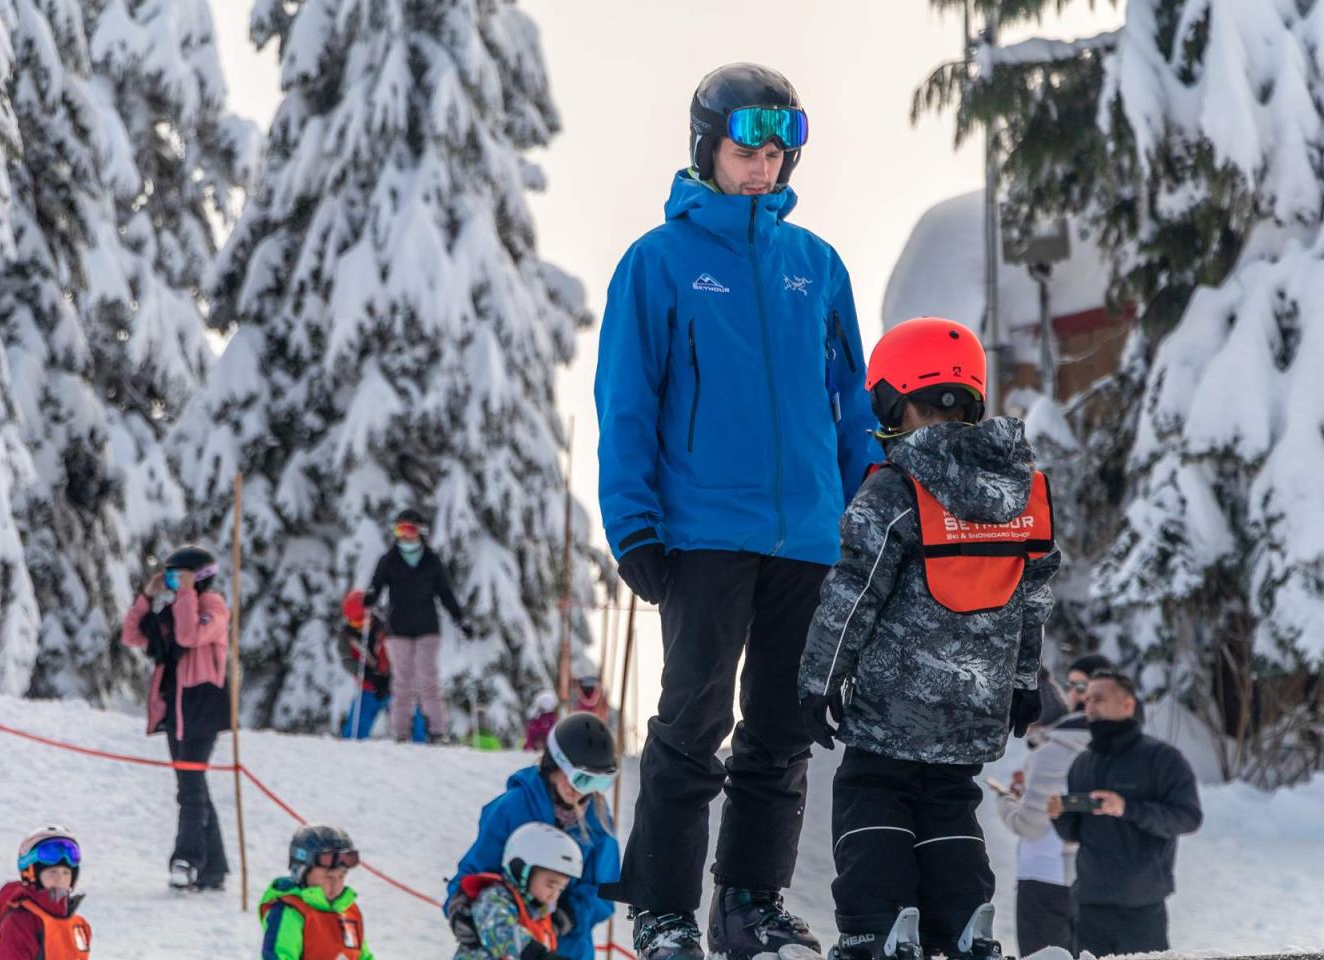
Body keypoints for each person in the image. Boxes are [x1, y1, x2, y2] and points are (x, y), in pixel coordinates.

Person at [593, 61, 881, 960]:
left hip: (807, 535)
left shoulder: (817, 266)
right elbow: (627, 401)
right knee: (692, 720)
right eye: (745, 149)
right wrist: (632, 522)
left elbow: (853, 405)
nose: (761, 168)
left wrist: (861, 509)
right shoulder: (659, 262)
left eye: (776, 153)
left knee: (782, 729)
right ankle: (665, 911)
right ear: (706, 148)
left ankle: (750, 905)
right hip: (703, 532)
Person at [797, 315, 1062, 960]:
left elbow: (852, 593)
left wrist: (819, 679)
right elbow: (1034, 596)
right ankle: (964, 922)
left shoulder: (894, 490)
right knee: (949, 802)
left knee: (872, 793)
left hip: (893, 700)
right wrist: (1025, 683)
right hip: (975, 706)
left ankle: (875, 926)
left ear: (892, 400)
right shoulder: (1025, 493)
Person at [1048, 671, 1202, 957]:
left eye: (1099, 699)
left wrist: (1127, 808)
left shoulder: (1162, 758)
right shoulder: (1082, 763)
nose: (1090, 707)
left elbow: (1188, 817)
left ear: (1127, 705)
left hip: (1141, 907)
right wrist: (1060, 815)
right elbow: (1075, 834)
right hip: (1089, 904)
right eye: (1088, 699)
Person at [447, 713, 621, 960]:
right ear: (556, 764)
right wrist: (459, 906)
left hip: (567, 947)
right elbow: (477, 868)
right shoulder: (513, 807)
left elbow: (605, 891)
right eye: (580, 779)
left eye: (598, 782)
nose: (583, 792)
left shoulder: (598, 822)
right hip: (508, 938)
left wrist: (569, 915)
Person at [121, 544, 230, 891]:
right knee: (192, 787)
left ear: (198, 578)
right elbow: (132, 635)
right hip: (174, 712)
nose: (171, 583)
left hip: (201, 709)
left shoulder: (213, 608)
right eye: (168, 576)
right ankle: (214, 868)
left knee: (190, 789)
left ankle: (187, 859)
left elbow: (189, 635)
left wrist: (185, 594)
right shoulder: (174, 609)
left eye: (177, 576)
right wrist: (146, 598)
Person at [995, 665, 1091, 955]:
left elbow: (1031, 824)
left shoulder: (1048, 754)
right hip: (1088, 877)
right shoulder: (1094, 745)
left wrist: (1005, 799)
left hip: (1044, 879)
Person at [363, 508, 475, 742]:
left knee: (428, 679)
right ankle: (400, 732)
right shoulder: (389, 560)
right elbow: (377, 585)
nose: (405, 535)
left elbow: (445, 593)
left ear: (420, 532)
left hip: (426, 627)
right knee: (402, 681)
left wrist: (459, 618)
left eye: (410, 529)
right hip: (398, 629)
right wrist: (371, 597)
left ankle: (437, 730)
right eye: (400, 530)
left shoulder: (431, 561)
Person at [453, 822, 584, 960]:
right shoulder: (494, 899)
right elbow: (501, 931)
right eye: (550, 885)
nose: (554, 895)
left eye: (560, 889)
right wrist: (540, 955)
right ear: (521, 870)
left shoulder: (540, 916)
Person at [259, 824, 374, 960]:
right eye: (328, 877)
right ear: (301, 873)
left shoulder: (348, 912)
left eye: (342, 876)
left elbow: (362, 956)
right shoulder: (291, 914)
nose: (335, 884)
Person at [0, 826, 92, 959]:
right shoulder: (20, 921)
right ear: (31, 873)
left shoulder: (78, 925)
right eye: (53, 872)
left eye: (66, 872)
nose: (60, 878)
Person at [339, 588, 391, 739]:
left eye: (359, 621)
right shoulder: (347, 635)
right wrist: (367, 675)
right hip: (368, 687)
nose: (357, 626)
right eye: (353, 622)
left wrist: (389, 678)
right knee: (356, 726)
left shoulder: (384, 628)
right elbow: (346, 660)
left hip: (392, 685)